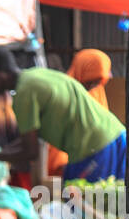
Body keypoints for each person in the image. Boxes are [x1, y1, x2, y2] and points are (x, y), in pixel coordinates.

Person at [0, 47, 126, 183]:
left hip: (94, 148)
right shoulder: (37, 75)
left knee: (86, 209)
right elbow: (30, 138)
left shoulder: (24, 94)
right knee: (115, 205)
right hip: (117, 136)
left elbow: (30, 151)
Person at [46, 49, 112, 178]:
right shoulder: (63, 95)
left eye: (98, 81)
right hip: (66, 163)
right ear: (81, 72)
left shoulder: (97, 93)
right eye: (90, 80)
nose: (93, 85)